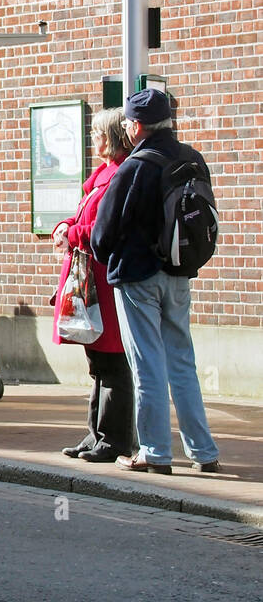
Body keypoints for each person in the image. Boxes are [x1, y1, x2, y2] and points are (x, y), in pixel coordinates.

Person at [91, 88, 220, 475]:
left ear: (138, 126)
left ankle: (154, 452)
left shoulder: (136, 165)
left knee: (146, 364)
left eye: (130, 123)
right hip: (180, 273)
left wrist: (106, 255)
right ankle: (204, 451)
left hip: (138, 277)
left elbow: (103, 232)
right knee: (182, 362)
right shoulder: (192, 158)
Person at [51, 107, 136, 463]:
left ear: (111, 138)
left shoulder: (119, 174)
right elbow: (86, 213)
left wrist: (72, 234)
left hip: (105, 278)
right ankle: (96, 432)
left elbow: (106, 227)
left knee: (112, 359)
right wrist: (66, 225)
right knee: (97, 359)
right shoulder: (102, 174)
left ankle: (115, 438)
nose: (93, 140)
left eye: (97, 134)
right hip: (89, 278)